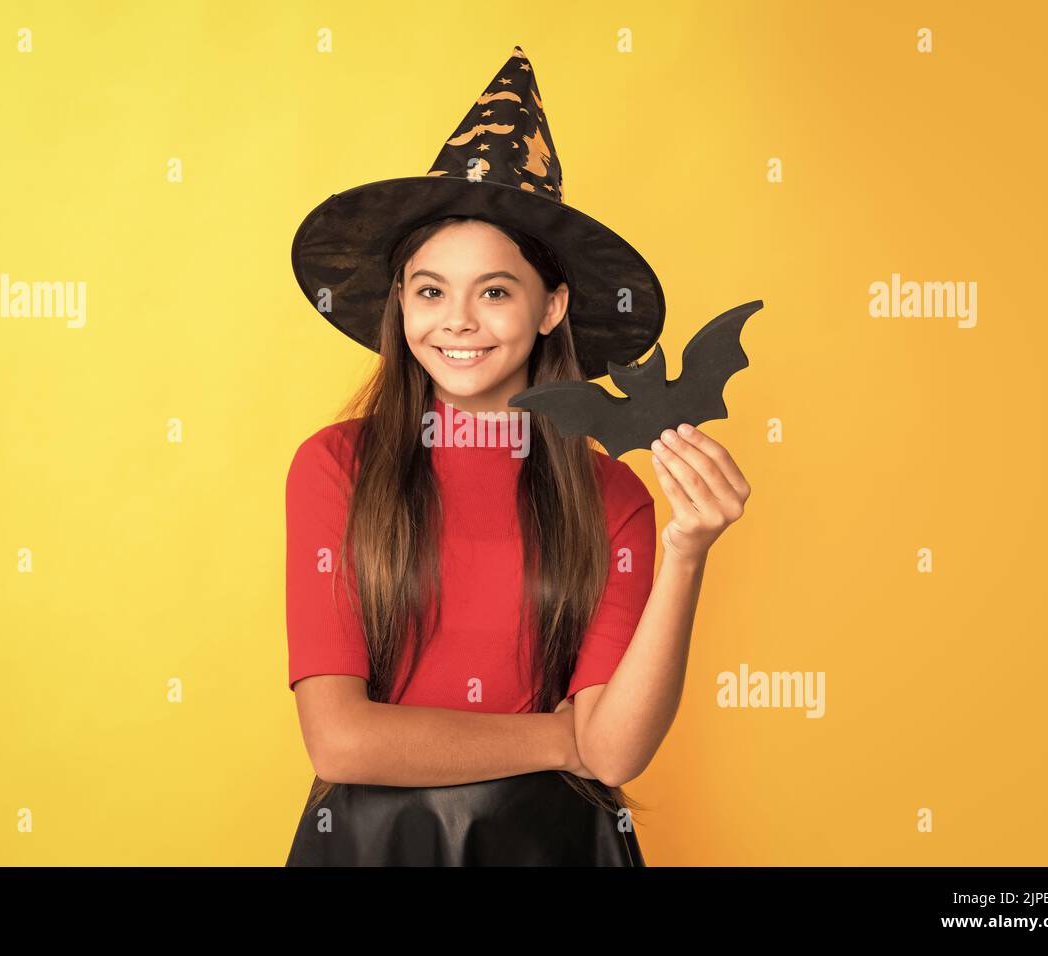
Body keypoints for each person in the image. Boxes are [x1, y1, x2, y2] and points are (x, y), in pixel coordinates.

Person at [283, 45, 750, 866]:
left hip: (555, 847)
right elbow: (341, 744)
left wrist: (687, 553)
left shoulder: (614, 497)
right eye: (431, 290)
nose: (457, 321)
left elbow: (616, 751)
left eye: (494, 291)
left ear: (551, 306)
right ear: (401, 304)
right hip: (375, 844)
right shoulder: (335, 466)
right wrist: (562, 740)